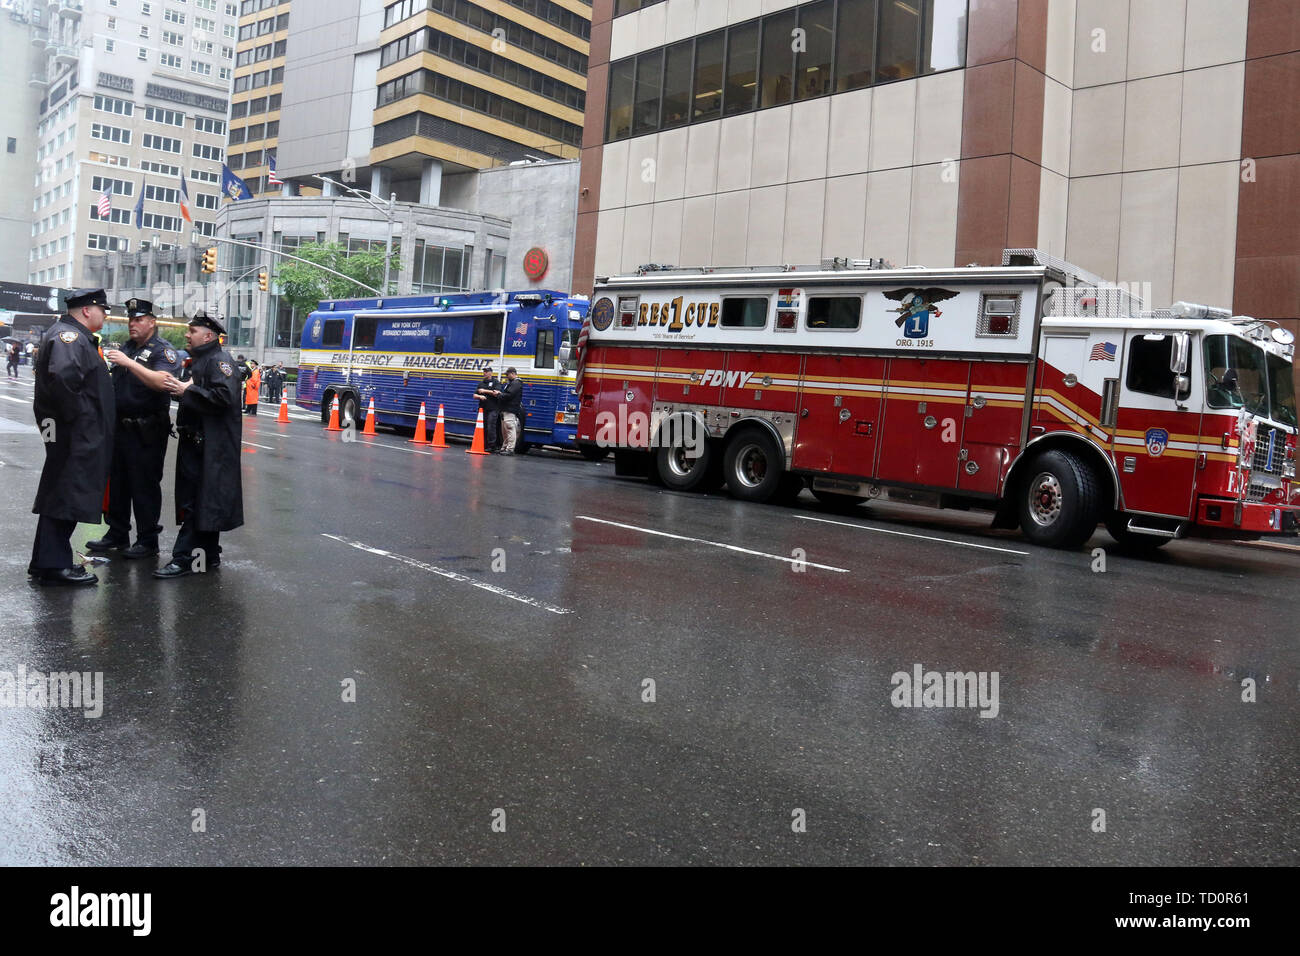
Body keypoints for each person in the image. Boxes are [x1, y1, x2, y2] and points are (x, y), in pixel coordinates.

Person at [28, 289, 115, 586]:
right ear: (88, 310)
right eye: (103, 309)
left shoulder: (69, 334)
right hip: (76, 434)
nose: (106, 314)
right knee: (67, 498)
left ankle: (45, 562)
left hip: (72, 432)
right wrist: (82, 421)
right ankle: (55, 567)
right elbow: (65, 379)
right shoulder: (71, 337)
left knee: (60, 496)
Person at [85, 299, 182, 560]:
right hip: (120, 427)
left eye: (138, 320)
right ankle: (117, 533)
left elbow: (164, 383)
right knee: (118, 483)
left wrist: (129, 363)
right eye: (130, 320)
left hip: (147, 429)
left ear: (152, 322)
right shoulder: (128, 347)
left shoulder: (163, 351)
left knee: (144, 485)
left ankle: (148, 540)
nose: (132, 324)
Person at [153, 311, 244, 579]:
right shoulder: (205, 360)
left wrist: (186, 391)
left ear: (208, 335)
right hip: (200, 443)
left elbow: (223, 397)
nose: (186, 334)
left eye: (192, 331)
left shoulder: (219, 361)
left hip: (211, 447)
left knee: (197, 501)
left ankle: (183, 558)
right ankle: (206, 555)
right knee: (205, 501)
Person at [473, 366, 503, 452]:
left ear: (490, 373)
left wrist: (485, 391)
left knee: (491, 426)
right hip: (483, 409)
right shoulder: (481, 383)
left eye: (486, 371)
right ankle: (484, 444)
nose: (484, 373)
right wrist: (480, 396)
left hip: (493, 408)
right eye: (484, 371)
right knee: (483, 427)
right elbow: (474, 395)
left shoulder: (496, 382)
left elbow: (497, 393)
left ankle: (492, 445)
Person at [496, 366, 523, 455]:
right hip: (506, 409)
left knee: (510, 429)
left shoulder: (516, 383)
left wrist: (499, 395)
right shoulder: (513, 383)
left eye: (508, 374)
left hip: (510, 409)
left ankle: (510, 449)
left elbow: (509, 395)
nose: (507, 376)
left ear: (512, 374)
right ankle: (505, 447)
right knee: (505, 430)